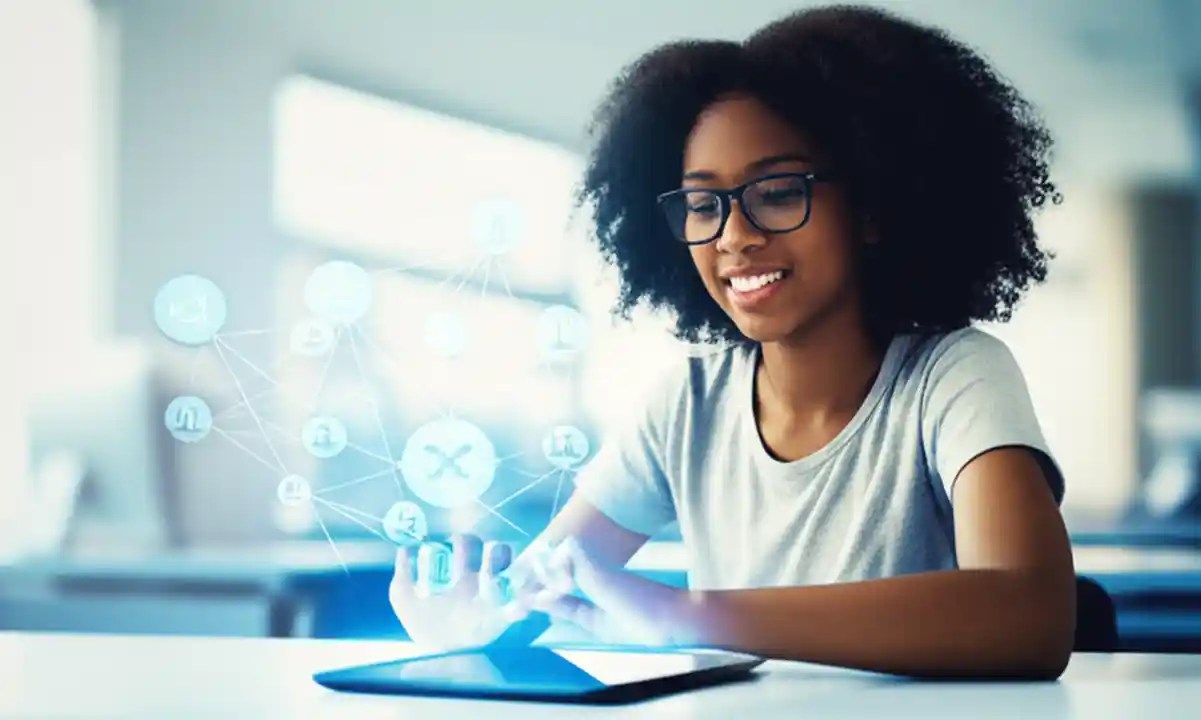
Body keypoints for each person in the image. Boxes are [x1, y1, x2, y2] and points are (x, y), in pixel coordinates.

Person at [390, 5, 1075, 679]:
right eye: (701, 203)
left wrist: (690, 615)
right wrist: (475, 632)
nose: (733, 236)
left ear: (872, 206)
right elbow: (542, 595)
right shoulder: (689, 404)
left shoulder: (954, 375)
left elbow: (1029, 614)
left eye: (777, 193)